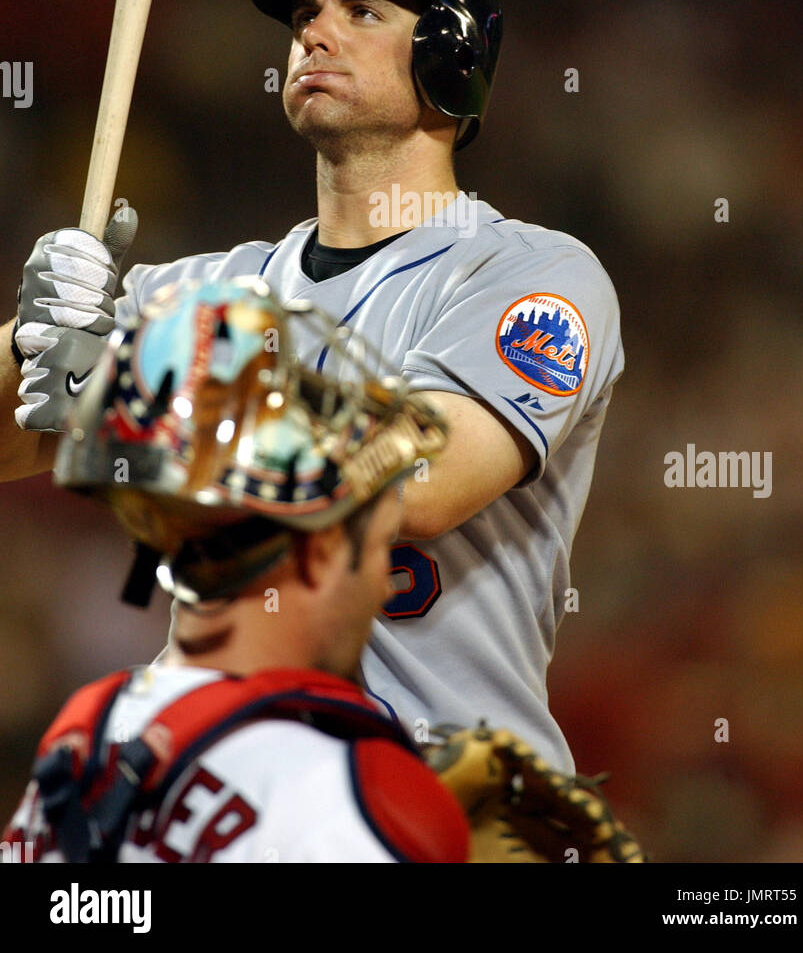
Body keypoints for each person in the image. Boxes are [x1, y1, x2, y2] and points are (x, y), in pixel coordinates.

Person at [0, 0, 624, 770]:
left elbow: (414, 486)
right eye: (305, 14)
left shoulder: (529, 272)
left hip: (444, 797)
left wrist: (136, 389)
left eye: (361, 10)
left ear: (452, 59)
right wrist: (41, 334)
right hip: (230, 794)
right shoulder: (203, 289)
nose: (315, 31)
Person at [2, 279, 468, 863]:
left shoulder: (85, 734)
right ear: (319, 553)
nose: (380, 588)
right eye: (377, 554)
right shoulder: (356, 800)